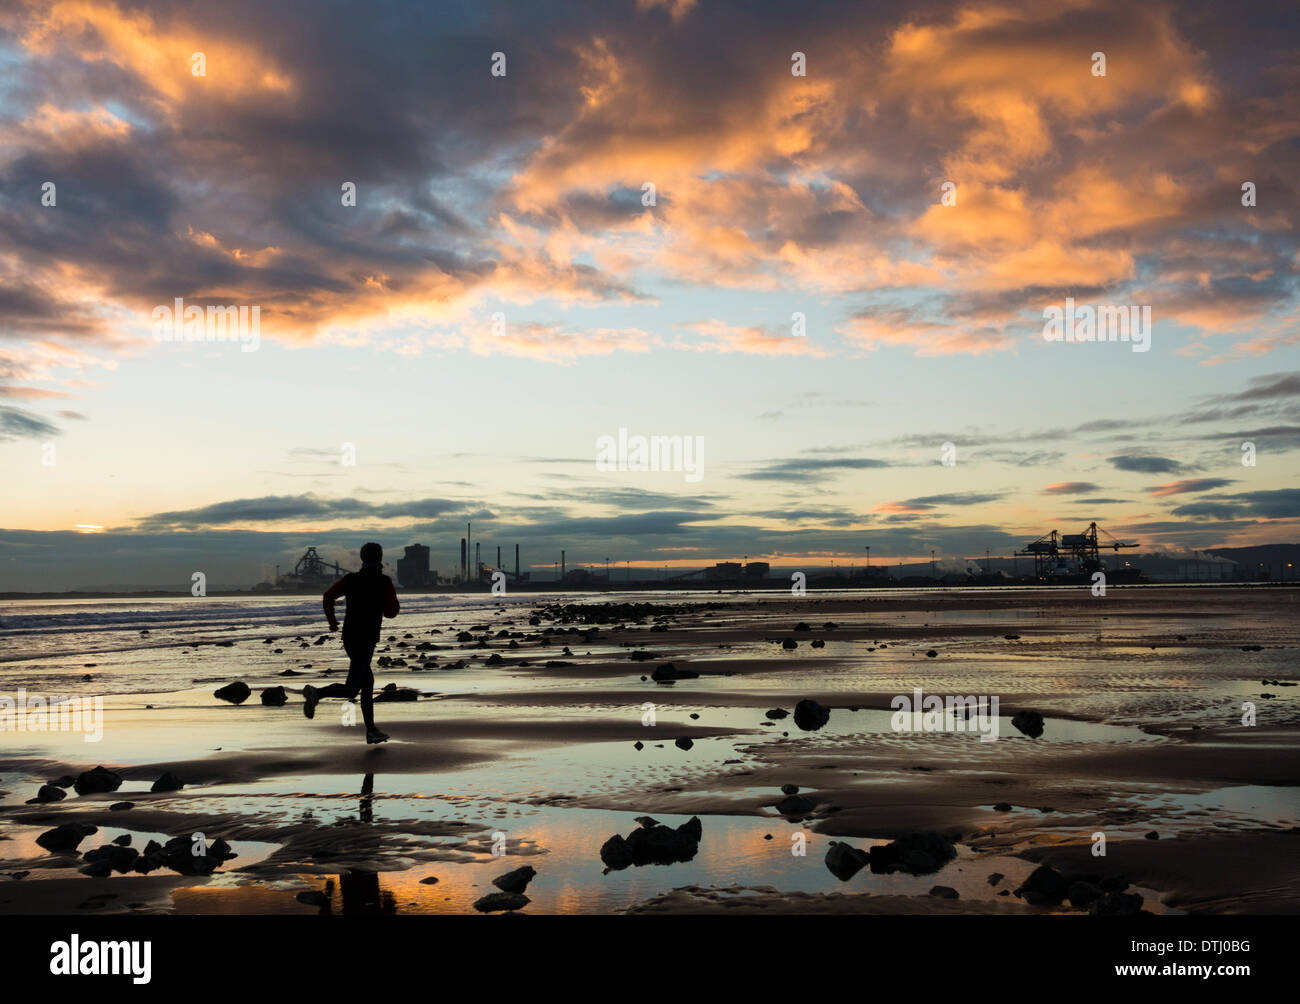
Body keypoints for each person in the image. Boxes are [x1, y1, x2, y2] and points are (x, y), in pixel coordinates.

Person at [303, 542, 399, 744]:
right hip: (367, 639)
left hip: (350, 637)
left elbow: (328, 596)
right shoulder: (383, 581)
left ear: (363, 558)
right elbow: (392, 613)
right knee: (353, 688)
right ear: (380, 558)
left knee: (367, 683)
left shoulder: (351, 579)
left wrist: (332, 623)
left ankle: (371, 731)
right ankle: (317, 693)